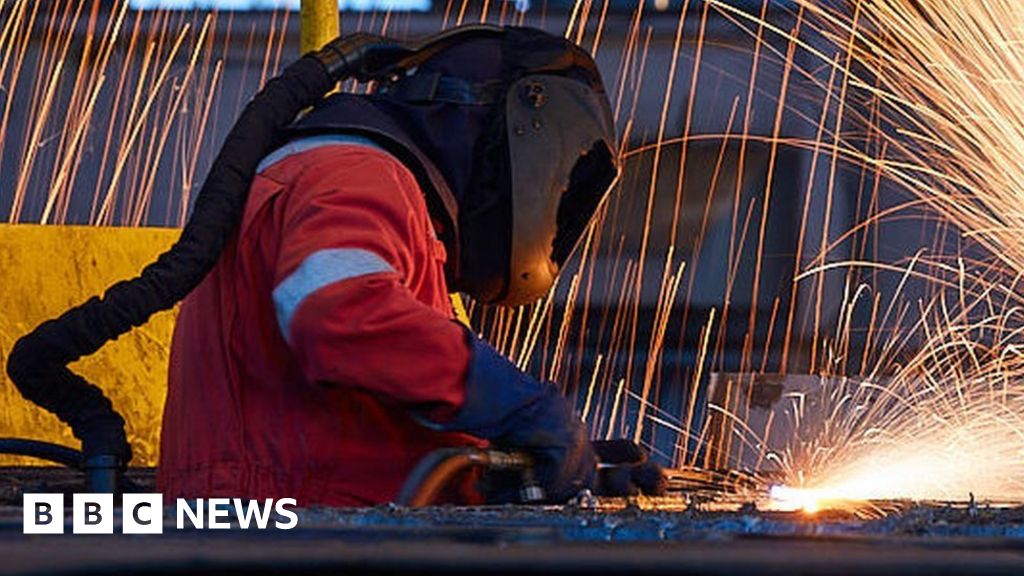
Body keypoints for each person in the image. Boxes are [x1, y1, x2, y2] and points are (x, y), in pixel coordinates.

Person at [158, 25, 621, 506]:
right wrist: (515, 403)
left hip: (309, 523)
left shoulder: (395, 207)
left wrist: (527, 464)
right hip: (279, 532)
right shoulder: (354, 170)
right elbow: (334, 313)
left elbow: (376, 422)